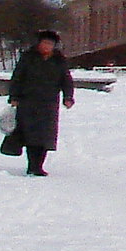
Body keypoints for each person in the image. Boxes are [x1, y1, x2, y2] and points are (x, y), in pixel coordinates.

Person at [7, 29, 75, 176]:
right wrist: (14, 97)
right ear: (39, 43)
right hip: (28, 101)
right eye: (45, 43)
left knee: (45, 136)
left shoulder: (59, 60)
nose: (47, 46)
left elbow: (66, 80)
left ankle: (38, 165)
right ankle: (32, 165)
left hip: (49, 104)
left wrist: (68, 97)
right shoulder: (28, 57)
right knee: (30, 135)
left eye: (50, 44)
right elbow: (17, 77)